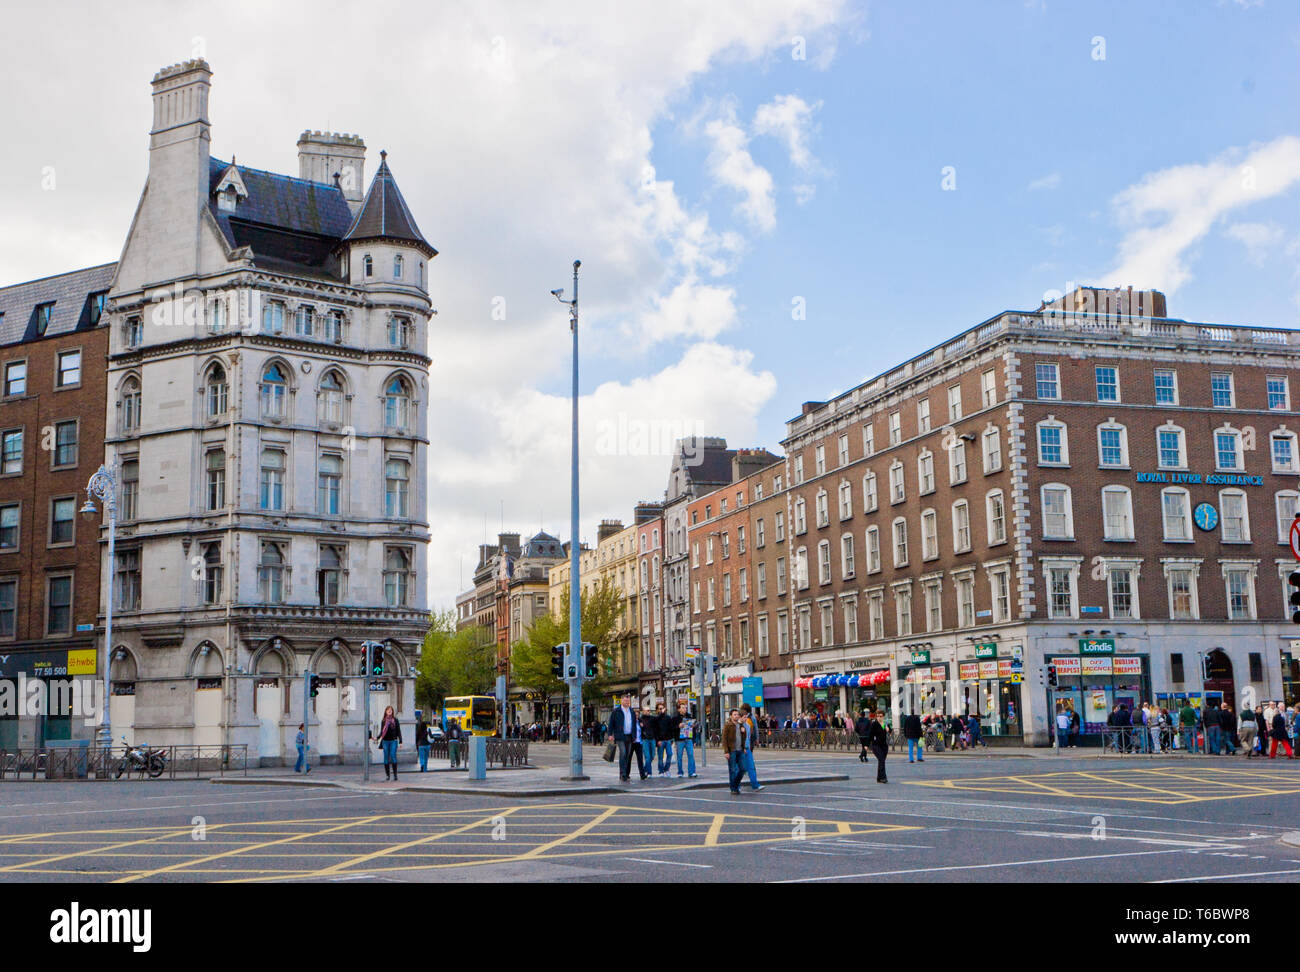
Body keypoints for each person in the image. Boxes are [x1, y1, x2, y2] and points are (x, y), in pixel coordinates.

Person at [609, 693, 647, 781]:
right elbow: (611, 723)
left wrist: (634, 735)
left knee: (627, 754)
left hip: (629, 736)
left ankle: (625, 773)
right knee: (623, 752)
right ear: (621, 700)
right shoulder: (616, 711)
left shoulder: (632, 711)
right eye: (625, 700)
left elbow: (634, 724)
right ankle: (622, 773)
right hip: (620, 736)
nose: (627, 702)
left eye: (628, 701)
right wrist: (610, 734)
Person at [670, 698, 698, 777]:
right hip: (679, 739)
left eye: (685, 707)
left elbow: (693, 728)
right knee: (679, 756)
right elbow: (672, 728)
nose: (684, 709)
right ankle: (680, 772)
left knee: (691, 755)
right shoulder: (675, 718)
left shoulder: (689, 716)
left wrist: (694, 739)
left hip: (688, 738)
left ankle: (691, 772)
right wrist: (678, 726)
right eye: (682, 708)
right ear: (679, 709)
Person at [721, 709, 747, 794]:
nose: (736, 716)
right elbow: (724, 739)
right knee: (732, 770)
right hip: (731, 750)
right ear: (731, 716)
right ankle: (733, 788)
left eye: (737, 714)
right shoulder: (728, 725)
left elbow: (743, 737)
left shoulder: (740, 725)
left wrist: (744, 732)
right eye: (734, 714)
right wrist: (726, 751)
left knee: (743, 769)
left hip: (740, 750)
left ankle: (735, 784)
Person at [738, 703, 763, 791]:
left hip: (747, 747)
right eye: (744, 717)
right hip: (739, 749)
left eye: (746, 717)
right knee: (740, 769)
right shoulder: (736, 726)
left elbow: (752, 732)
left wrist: (753, 741)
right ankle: (736, 786)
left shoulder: (748, 726)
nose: (746, 719)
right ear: (740, 717)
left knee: (751, 766)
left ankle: (755, 784)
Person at [377, 705, 402, 780]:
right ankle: (387, 775)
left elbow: (398, 731)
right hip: (385, 741)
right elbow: (382, 731)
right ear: (386, 711)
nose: (389, 711)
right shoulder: (383, 721)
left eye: (390, 710)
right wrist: (377, 738)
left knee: (393, 756)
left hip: (393, 740)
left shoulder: (395, 720)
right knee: (386, 758)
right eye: (388, 710)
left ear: (392, 712)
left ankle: (395, 775)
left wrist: (401, 741)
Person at [866, 709, 889, 784]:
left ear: (883, 717)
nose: (879, 718)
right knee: (881, 759)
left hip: (884, 746)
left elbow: (890, 731)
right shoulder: (874, 724)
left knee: (881, 761)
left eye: (881, 716)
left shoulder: (885, 724)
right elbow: (870, 735)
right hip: (876, 745)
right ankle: (883, 777)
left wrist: (888, 729)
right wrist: (866, 745)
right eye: (878, 716)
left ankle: (879, 778)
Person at [654, 701, 674, 776]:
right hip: (660, 740)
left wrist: (672, 738)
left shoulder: (668, 718)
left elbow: (671, 728)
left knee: (669, 754)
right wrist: (657, 740)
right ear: (657, 710)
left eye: (662, 708)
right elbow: (655, 730)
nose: (661, 710)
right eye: (660, 709)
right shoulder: (656, 719)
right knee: (660, 756)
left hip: (668, 739)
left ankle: (666, 769)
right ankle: (661, 770)